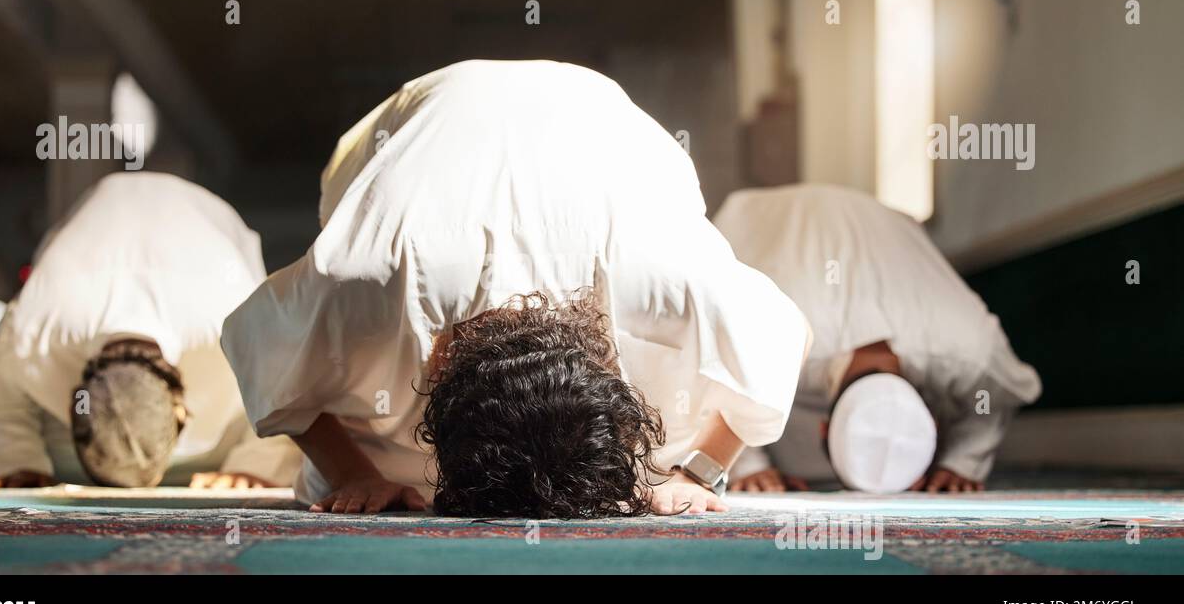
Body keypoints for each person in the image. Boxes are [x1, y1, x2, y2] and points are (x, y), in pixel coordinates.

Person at [221, 60, 811, 519]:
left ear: (604, 360)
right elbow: (256, 343)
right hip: (411, 120)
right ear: (439, 362)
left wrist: (699, 471)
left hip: (606, 123)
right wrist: (354, 473)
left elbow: (788, 337)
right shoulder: (363, 274)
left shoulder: (662, 266)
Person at [0, 172, 301, 490]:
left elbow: (290, 382)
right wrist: (19, 460)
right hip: (90, 231)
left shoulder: (236, 315)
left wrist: (255, 467)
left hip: (209, 219)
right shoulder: (30, 330)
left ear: (182, 411)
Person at [714, 184, 1041, 493]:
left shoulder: (971, 349)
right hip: (765, 216)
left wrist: (961, 464)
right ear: (824, 428)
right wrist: (745, 465)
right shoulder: (774, 332)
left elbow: (994, 398)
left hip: (882, 221)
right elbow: (710, 366)